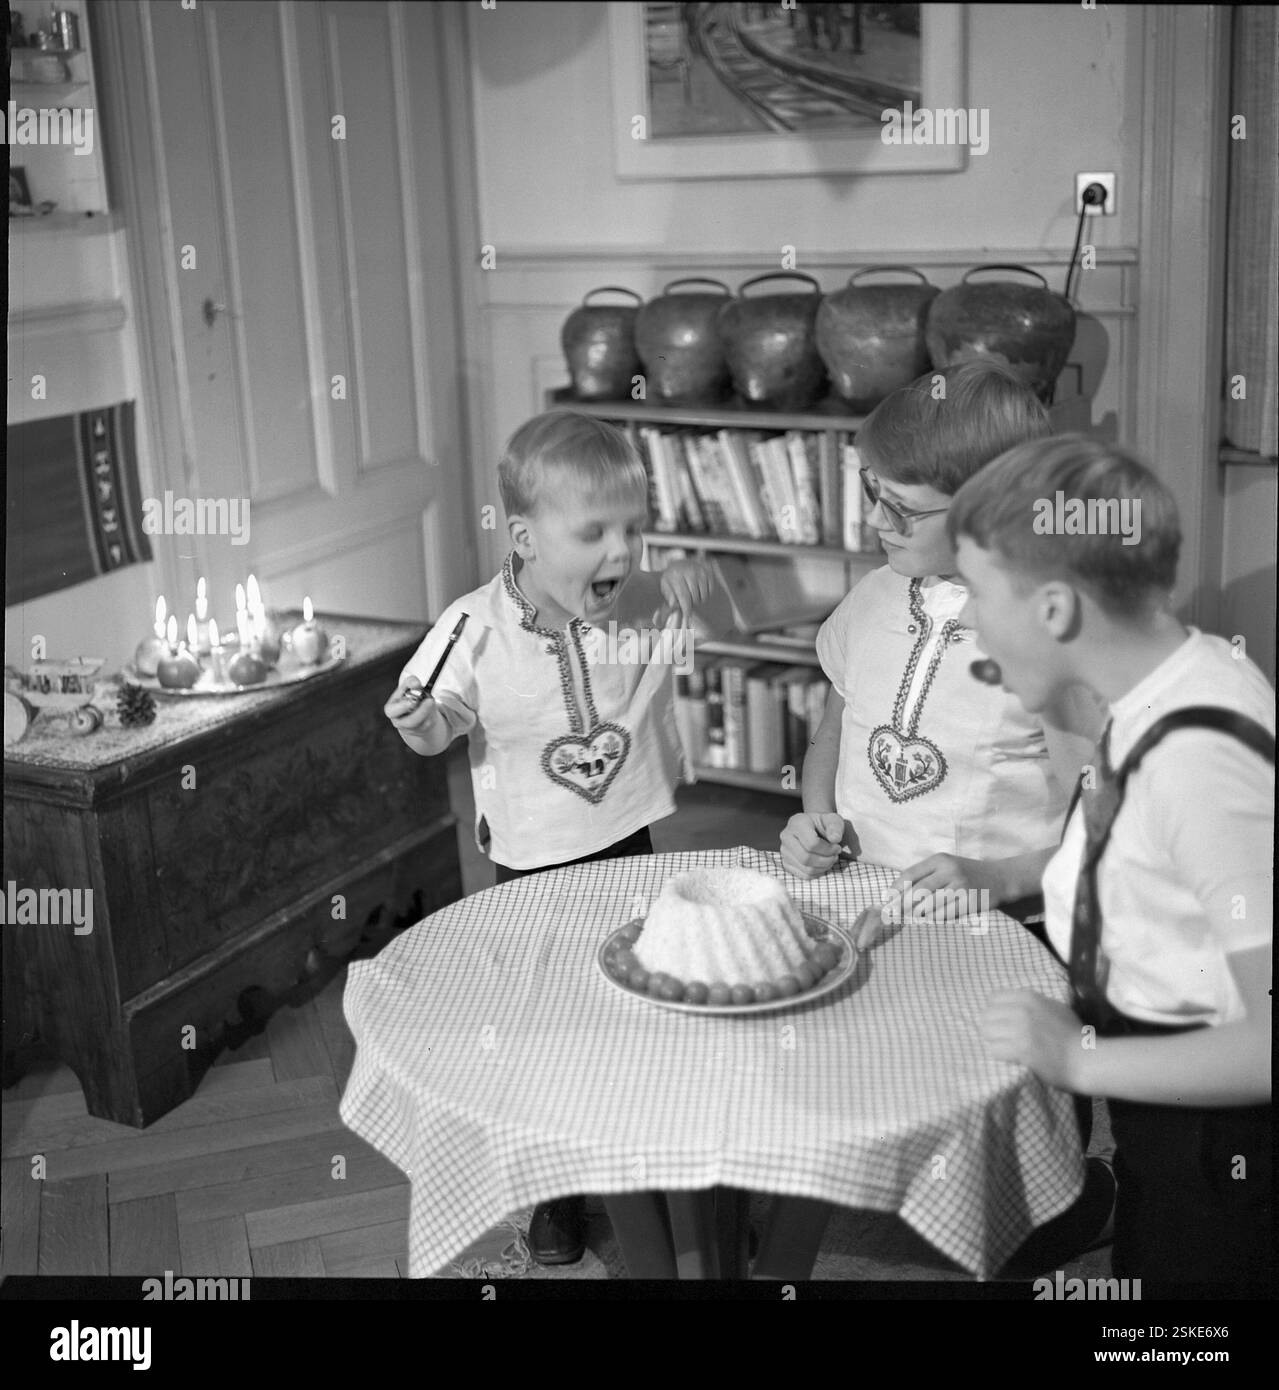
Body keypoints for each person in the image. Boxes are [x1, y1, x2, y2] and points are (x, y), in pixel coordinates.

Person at [385, 409, 732, 1265]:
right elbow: (438, 725)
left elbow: (714, 612)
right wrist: (421, 726)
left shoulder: (644, 596)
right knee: (550, 1024)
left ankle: (643, 1158)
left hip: (631, 841)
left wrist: (711, 598)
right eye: (594, 533)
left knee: (639, 1002)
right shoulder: (471, 628)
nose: (622, 551)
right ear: (526, 537)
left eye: (632, 528)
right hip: (533, 862)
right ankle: (555, 1189)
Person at [949, 434, 1273, 1285]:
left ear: (1053, 610)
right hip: (1163, 1108)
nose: (967, 619)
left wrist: (1077, 1061)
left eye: (976, 593)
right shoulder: (1152, 692)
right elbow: (1135, 855)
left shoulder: (1199, 756)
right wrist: (1012, 877)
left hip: (1221, 1140)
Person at [780, 362, 1096, 937]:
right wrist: (814, 817)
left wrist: (1000, 879)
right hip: (861, 899)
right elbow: (834, 732)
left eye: (901, 507)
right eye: (873, 490)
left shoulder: (1048, 638)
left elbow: (1107, 821)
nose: (875, 517)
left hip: (1001, 922)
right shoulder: (873, 597)